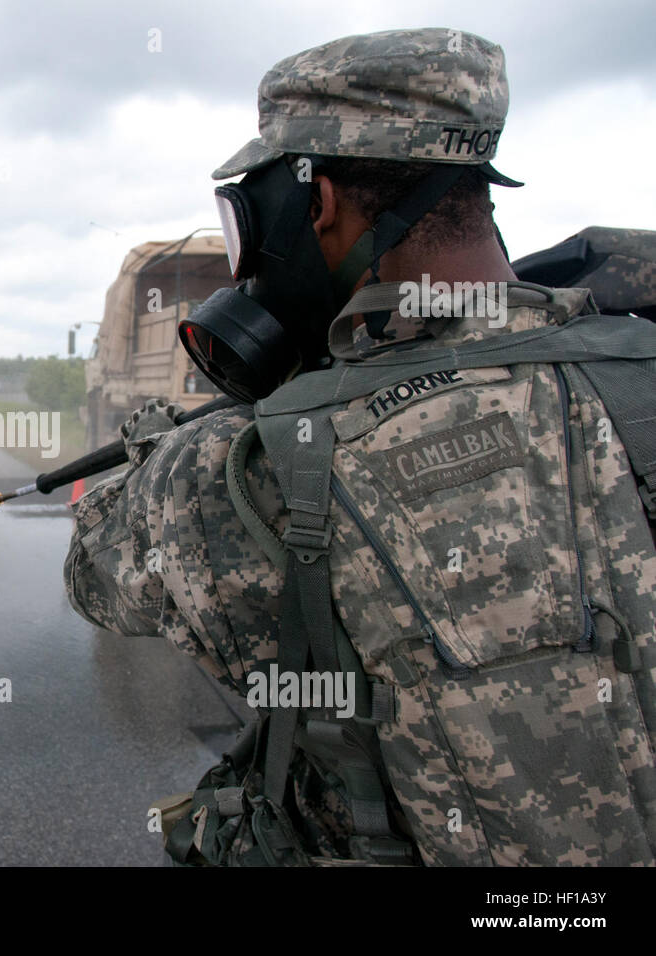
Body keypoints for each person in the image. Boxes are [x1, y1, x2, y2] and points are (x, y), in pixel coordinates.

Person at [65, 28, 656, 866]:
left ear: (319, 204)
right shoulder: (634, 371)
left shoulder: (241, 468)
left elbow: (96, 573)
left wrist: (170, 443)